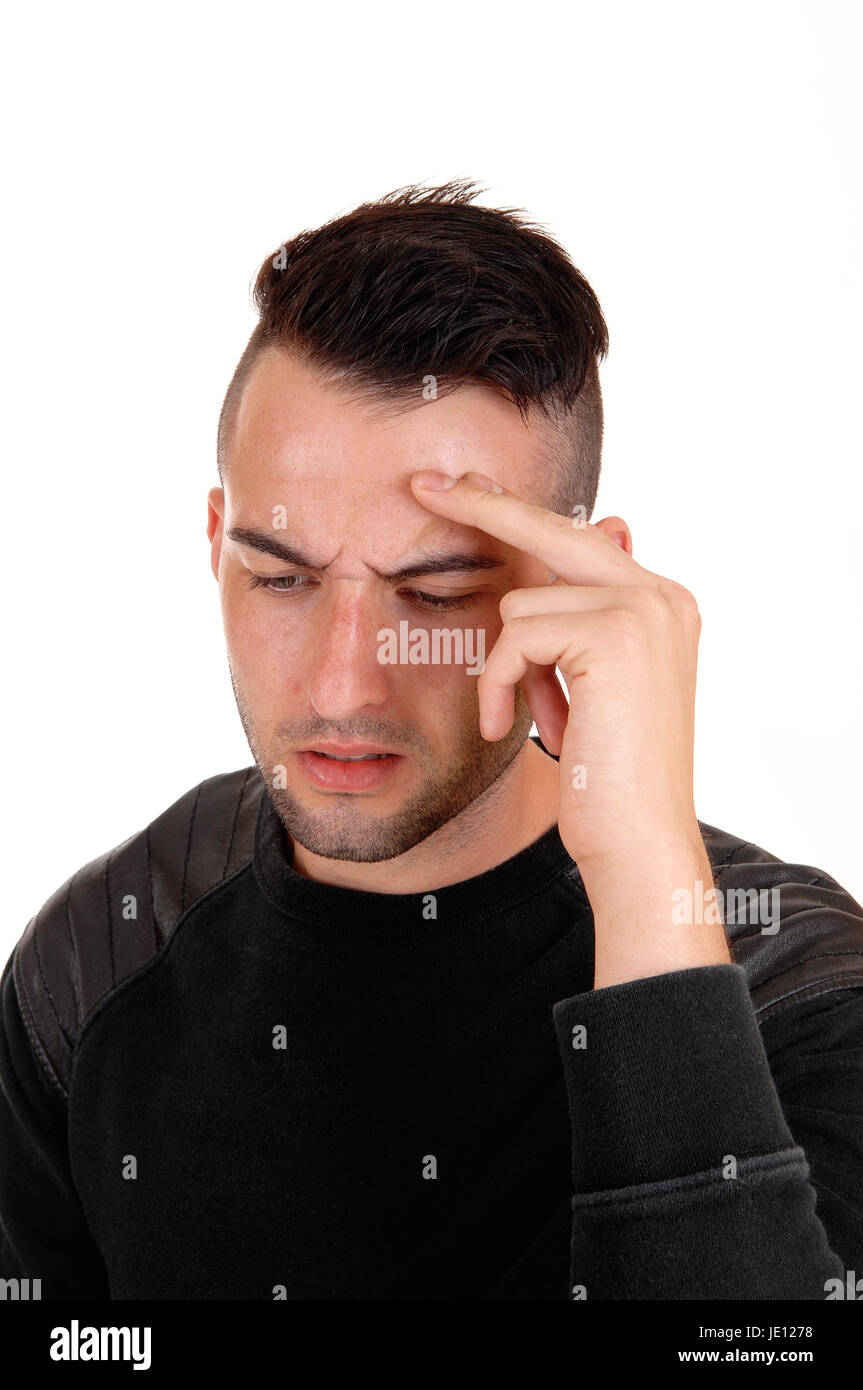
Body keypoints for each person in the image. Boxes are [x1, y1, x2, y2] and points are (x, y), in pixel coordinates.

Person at [1, 180, 861, 1301]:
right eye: (280, 575)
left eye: (438, 591)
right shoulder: (98, 962)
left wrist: (649, 888)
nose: (344, 681)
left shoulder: (794, 994)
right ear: (216, 541)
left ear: (579, 585)